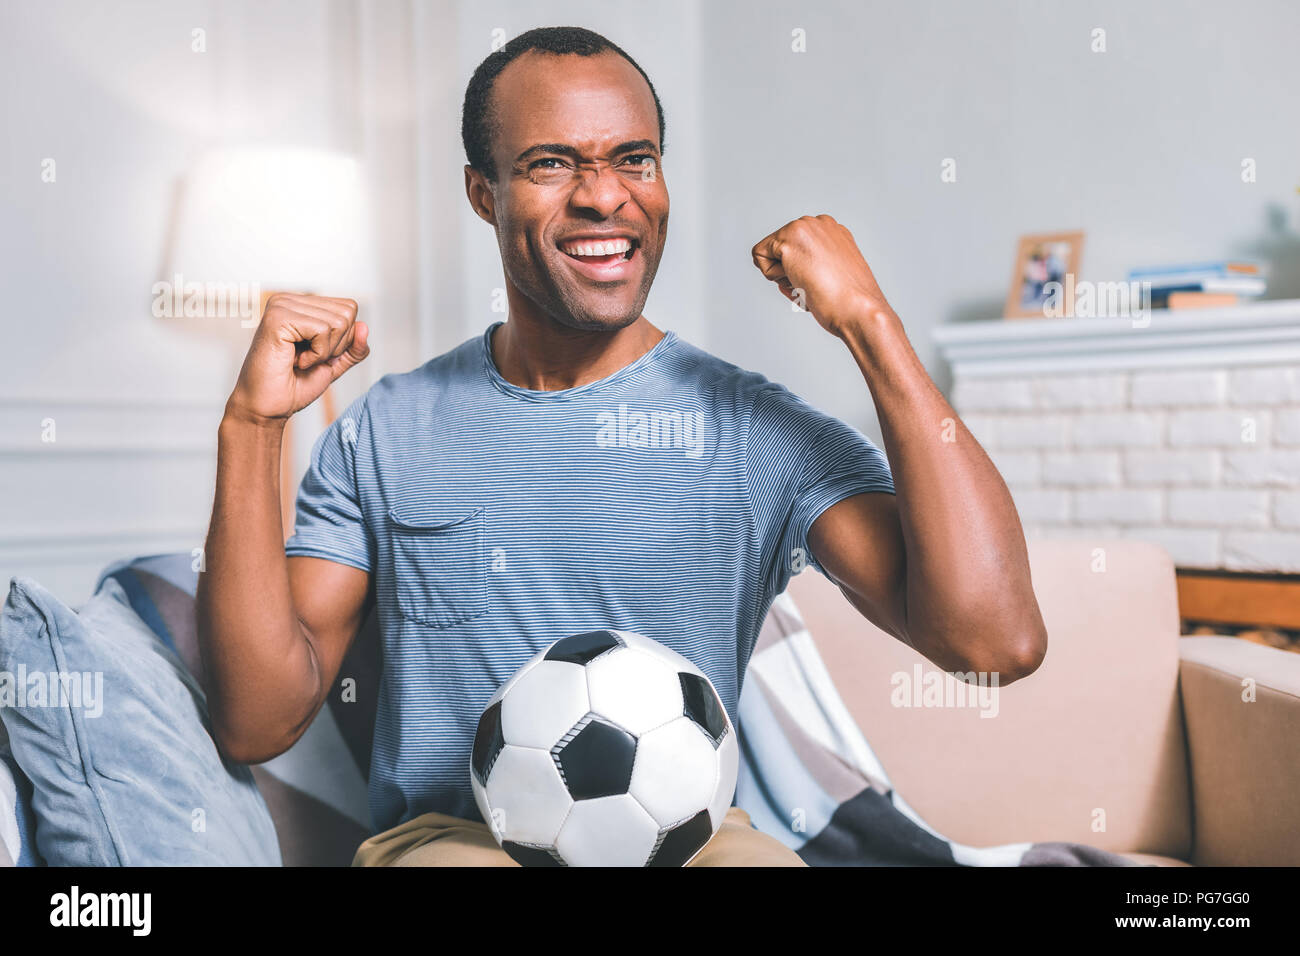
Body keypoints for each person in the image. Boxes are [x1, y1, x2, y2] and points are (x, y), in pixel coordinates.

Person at [195, 26, 1047, 867]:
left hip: (695, 844)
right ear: (483, 193)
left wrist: (871, 324)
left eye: (634, 159)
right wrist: (250, 427)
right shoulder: (386, 430)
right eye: (552, 163)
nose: (605, 197)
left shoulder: (757, 433)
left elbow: (995, 644)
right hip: (454, 842)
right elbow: (256, 721)